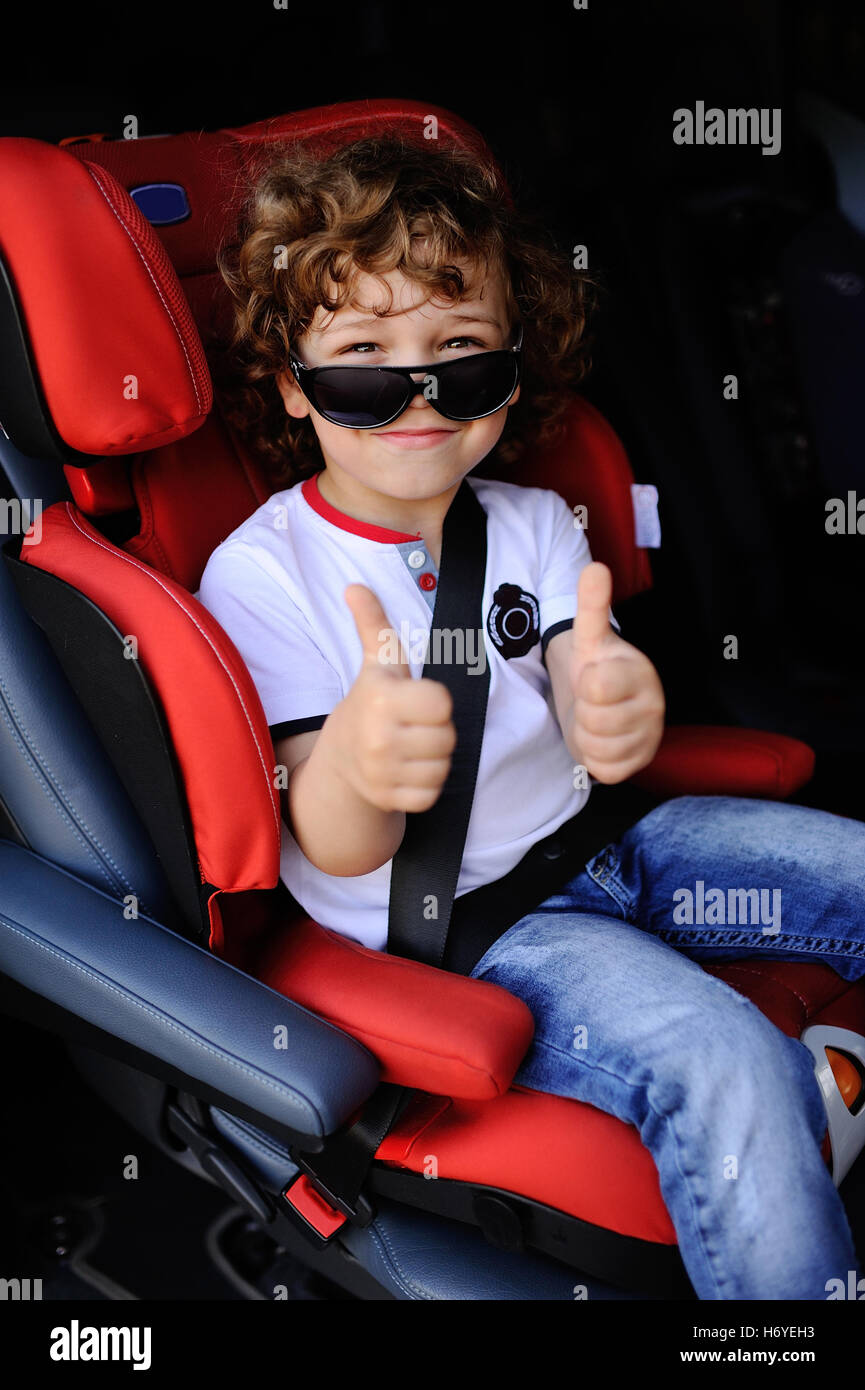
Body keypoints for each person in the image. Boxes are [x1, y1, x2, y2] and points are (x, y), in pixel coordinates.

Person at [198, 132, 865, 1299]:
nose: (418, 395)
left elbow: (583, 668)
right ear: (294, 385)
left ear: (511, 370)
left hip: (619, 846)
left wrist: (615, 701)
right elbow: (336, 843)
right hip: (482, 930)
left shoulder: (533, 521)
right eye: (362, 362)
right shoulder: (262, 575)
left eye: (460, 356)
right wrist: (358, 763)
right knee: (726, 1060)